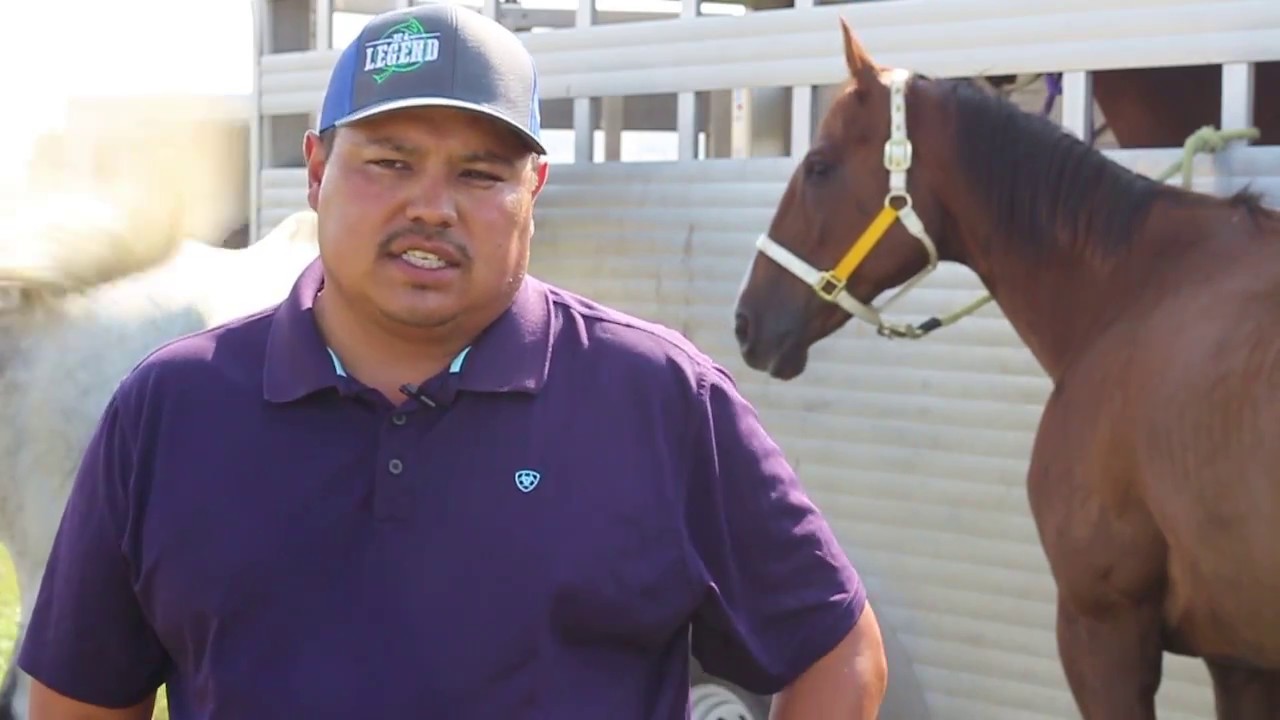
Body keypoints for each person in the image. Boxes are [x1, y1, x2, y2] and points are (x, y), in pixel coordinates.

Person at [17, 3, 887, 718]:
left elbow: (839, 655)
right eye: (389, 162)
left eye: (480, 174)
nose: (431, 206)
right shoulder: (170, 411)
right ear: (316, 170)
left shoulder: (659, 400)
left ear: (532, 190)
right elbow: (78, 700)